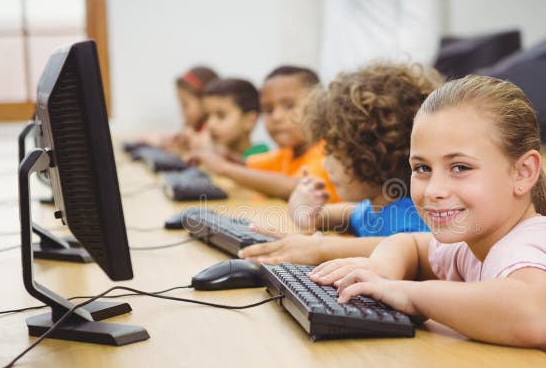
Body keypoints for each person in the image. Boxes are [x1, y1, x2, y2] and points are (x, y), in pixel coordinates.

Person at [310, 75, 546, 368]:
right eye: (422, 168)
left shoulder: (526, 247)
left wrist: (410, 294)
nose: (435, 190)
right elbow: (409, 244)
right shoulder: (477, 238)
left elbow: (539, 317)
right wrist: (382, 271)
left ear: (523, 173)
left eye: (460, 168)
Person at [240, 62, 442, 265]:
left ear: (371, 154)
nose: (326, 166)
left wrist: (321, 248)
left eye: (333, 153)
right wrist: (302, 205)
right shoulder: (373, 208)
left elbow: (408, 247)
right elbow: (319, 216)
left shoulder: (415, 217)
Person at [189, 66, 339, 201]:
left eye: (288, 106)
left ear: (319, 106)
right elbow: (250, 167)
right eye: (268, 110)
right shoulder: (286, 153)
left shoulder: (327, 153)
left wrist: (223, 167)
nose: (276, 117)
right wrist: (229, 159)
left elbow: (293, 187)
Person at [139, 65, 219, 153]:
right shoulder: (194, 127)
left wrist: (191, 141)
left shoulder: (212, 128)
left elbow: (209, 145)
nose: (181, 111)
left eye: (185, 104)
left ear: (205, 103)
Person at [200, 78, 269, 162]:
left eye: (221, 116)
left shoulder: (264, 159)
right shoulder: (213, 156)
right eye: (207, 116)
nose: (210, 124)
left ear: (250, 121)